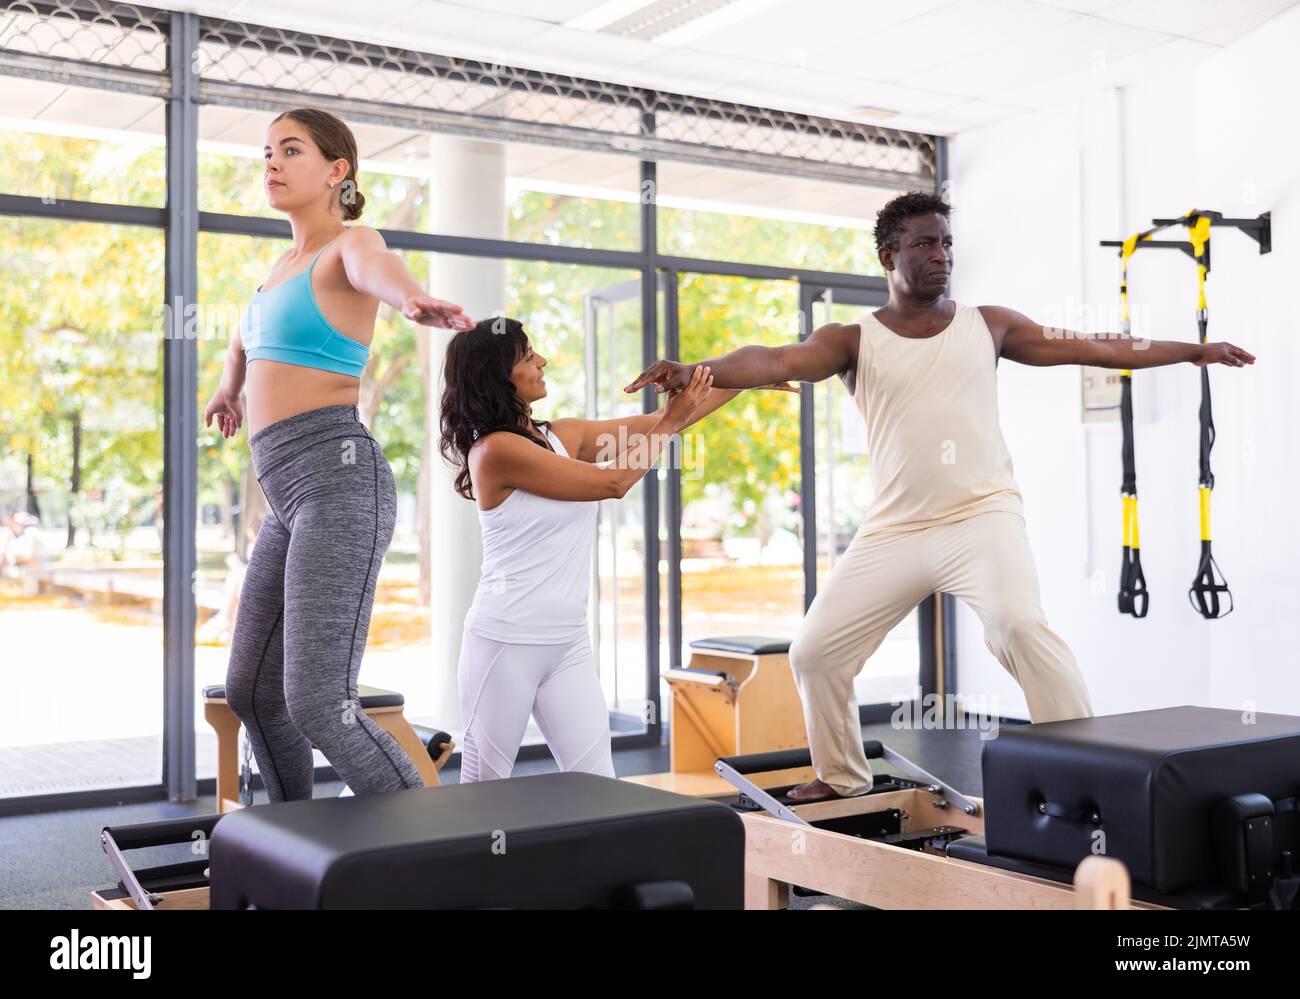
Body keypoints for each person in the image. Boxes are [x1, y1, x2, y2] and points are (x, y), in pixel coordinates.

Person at [626, 190, 1256, 801]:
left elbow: (1092, 345)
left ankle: (1088, 764)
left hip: (982, 516)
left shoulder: (990, 326)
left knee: (1017, 625)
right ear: (888, 256)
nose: (942, 255)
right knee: (815, 652)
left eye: (947, 244)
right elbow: (774, 360)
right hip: (896, 529)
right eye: (925, 244)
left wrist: (1193, 350)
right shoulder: (853, 340)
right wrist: (696, 370)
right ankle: (842, 774)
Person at [203, 107, 473, 801]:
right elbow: (245, 334)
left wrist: (411, 297)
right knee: (252, 689)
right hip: (288, 496)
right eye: (267, 151)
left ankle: (431, 854)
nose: (271, 161)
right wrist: (229, 387)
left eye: (290, 150)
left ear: (336, 170)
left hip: (339, 480)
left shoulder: (350, 244)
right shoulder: (278, 268)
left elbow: (377, 268)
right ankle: (298, 844)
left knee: (319, 700)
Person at [439, 317, 794, 782]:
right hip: (506, 640)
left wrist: (746, 378)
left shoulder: (561, 437)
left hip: (567, 641)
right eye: (528, 357)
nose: (542, 362)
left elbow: (655, 424)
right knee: (485, 784)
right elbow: (614, 481)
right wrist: (671, 418)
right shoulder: (494, 451)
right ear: (496, 376)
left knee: (597, 782)